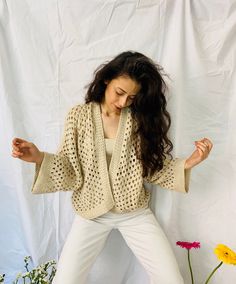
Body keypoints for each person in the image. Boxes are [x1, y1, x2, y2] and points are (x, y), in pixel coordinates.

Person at [11, 51, 213, 284]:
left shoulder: (138, 120)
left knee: (171, 279)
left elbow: (151, 168)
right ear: (107, 79)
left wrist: (189, 162)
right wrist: (38, 157)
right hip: (91, 212)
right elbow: (70, 168)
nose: (123, 102)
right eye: (119, 92)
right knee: (64, 280)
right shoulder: (79, 116)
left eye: (132, 97)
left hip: (134, 212)